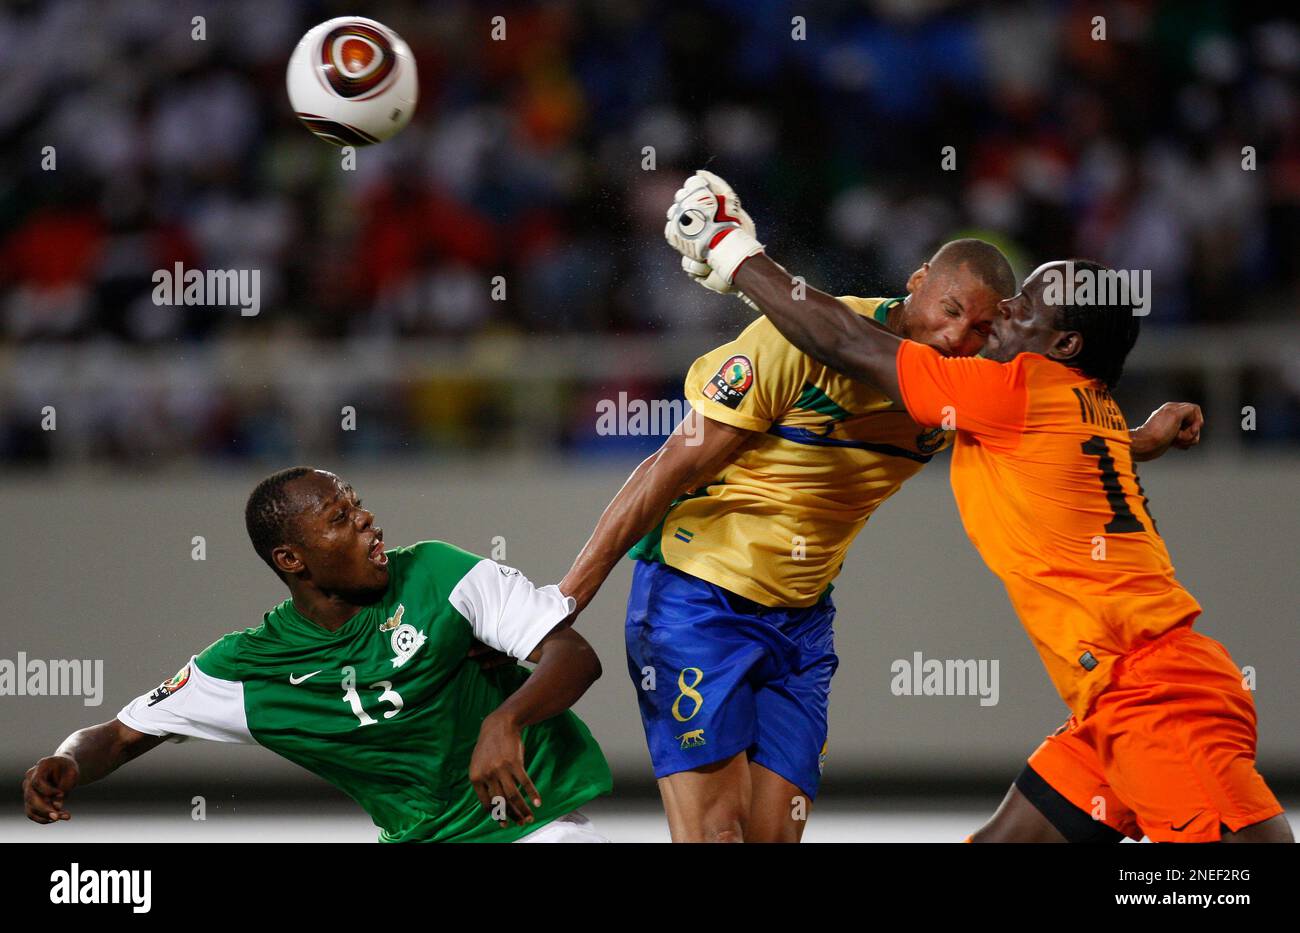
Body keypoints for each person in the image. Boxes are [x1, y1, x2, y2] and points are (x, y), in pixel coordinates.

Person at [664, 170, 1290, 843]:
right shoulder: (1088, 412)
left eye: (1026, 306)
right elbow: (1065, 453)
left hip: (1157, 701)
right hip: (1116, 697)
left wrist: (732, 250)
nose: (1003, 312)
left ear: (1064, 346)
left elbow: (844, 341)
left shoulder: (1014, 388)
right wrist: (1143, 438)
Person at [564, 204, 1177, 841]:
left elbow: (1049, 432)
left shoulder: (969, 383)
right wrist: (568, 598)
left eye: (981, 327)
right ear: (916, 282)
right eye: (948, 311)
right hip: (698, 600)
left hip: (800, 621)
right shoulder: (799, 340)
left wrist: (1135, 439)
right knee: (720, 833)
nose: (956, 338)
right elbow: (663, 472)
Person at [23, 467, 613, 843]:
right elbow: (120, 734)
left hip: (539, 828)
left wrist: (506, 718)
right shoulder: (248, 669)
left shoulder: (440, 573)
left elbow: (573, 655)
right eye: (340, 519)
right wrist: (67, 763)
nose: (367, 520)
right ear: (292, 560)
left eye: (356, 504)